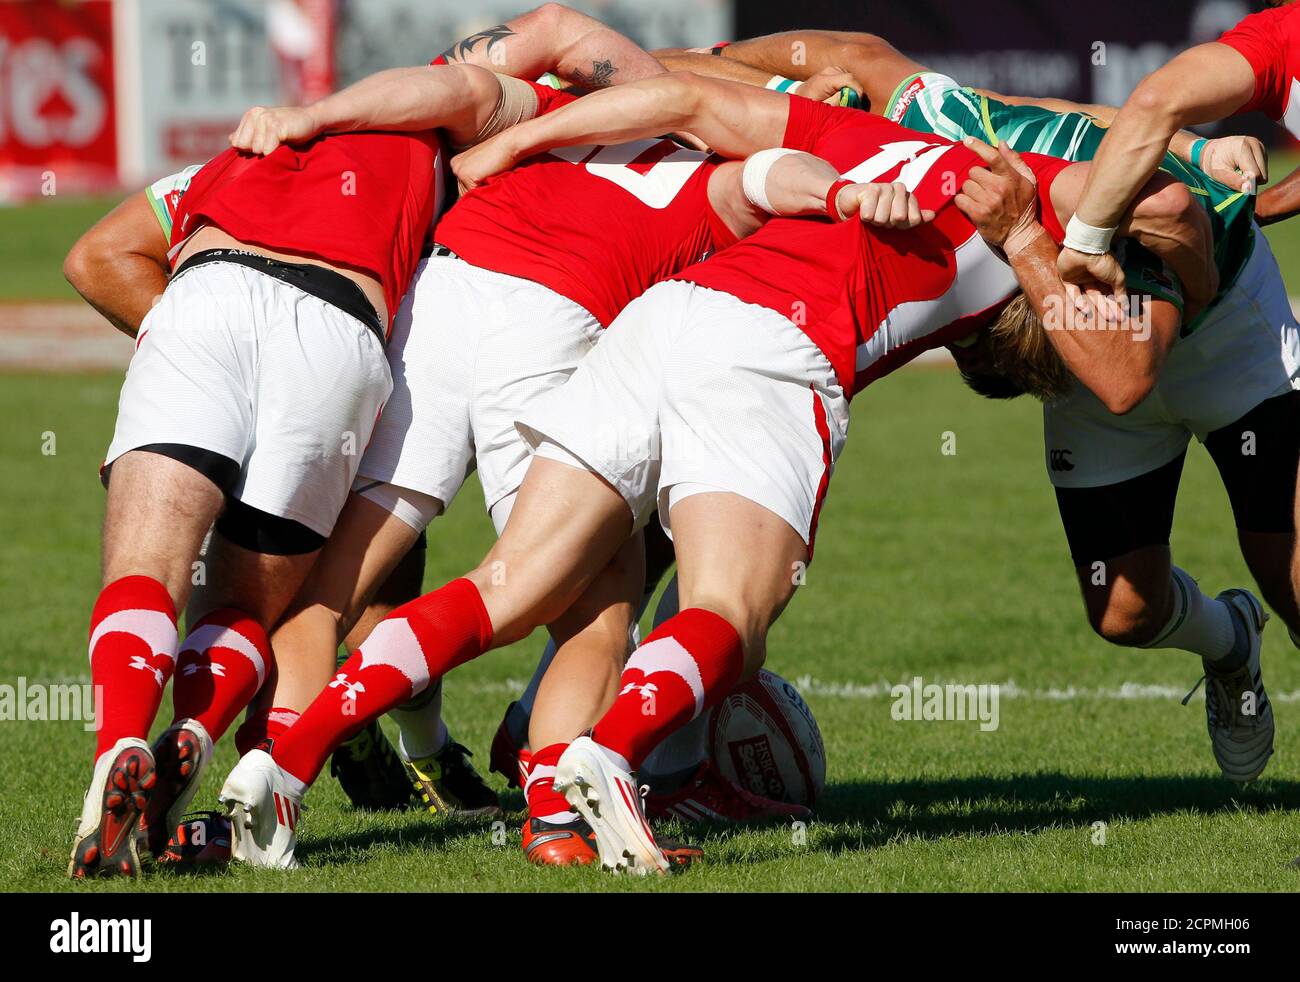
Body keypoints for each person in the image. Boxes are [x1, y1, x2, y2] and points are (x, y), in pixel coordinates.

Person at [219, 71, 1212, 872]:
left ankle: (289, 764)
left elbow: (686, 98)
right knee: (728, 620)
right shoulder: (1040, 202)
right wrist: (1067, 240)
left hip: (661, 321)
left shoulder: (854, 136)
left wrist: (520, 138)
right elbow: (1128, 351)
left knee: (509, 585)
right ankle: (605, 760)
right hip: (770, 353)